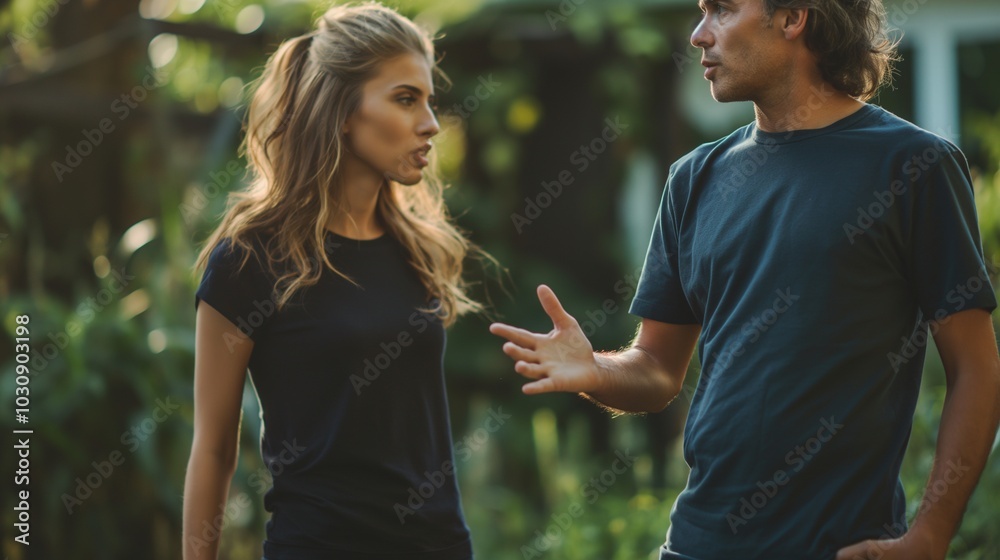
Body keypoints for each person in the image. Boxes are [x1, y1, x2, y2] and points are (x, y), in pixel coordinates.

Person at [489, 1, 1000, 559]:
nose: (698, 35)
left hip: (841, 548)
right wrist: (595, 370)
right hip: (695, 546)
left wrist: (931, 536)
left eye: (722, 11)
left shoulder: (914, 166)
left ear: (792, 17)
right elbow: (657, 369)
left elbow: (976, 368)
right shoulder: (693, 179)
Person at [182, 4, 484, 559]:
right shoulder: (249, 261)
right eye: (405, 99)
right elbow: (214, 447)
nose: (431, 124)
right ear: (343, 111)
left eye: (429, 100)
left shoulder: (418, 251)